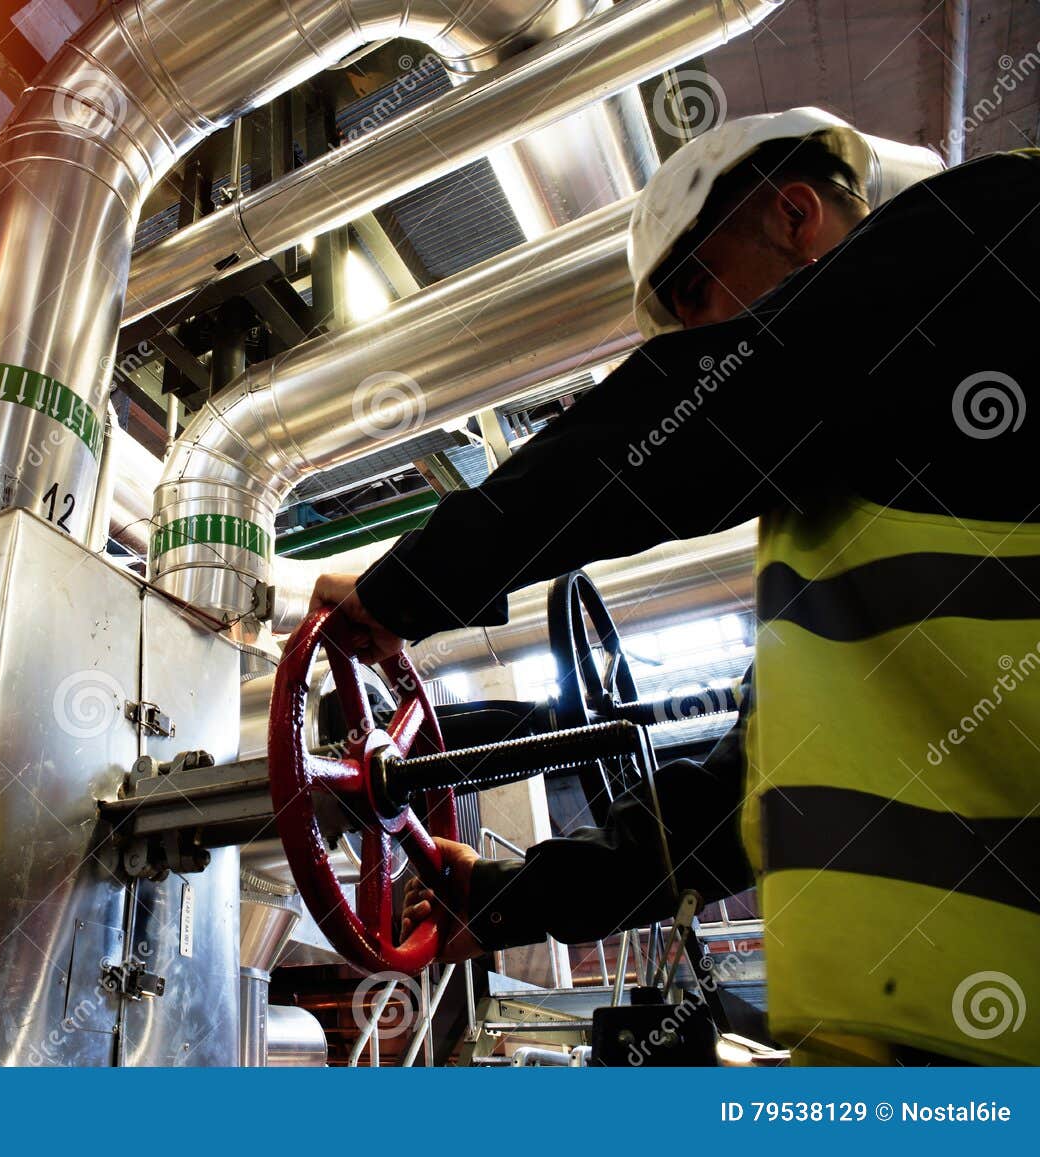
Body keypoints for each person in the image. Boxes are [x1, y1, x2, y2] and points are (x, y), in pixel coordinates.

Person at [311, 108, 1040, 1065]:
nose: (700, 340)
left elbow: (700, 417)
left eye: (698, 290)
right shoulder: (854, 525)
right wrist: (504, 898)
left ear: (794, 215)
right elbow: (737, 800)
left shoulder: (993, 227)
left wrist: (414, 583)